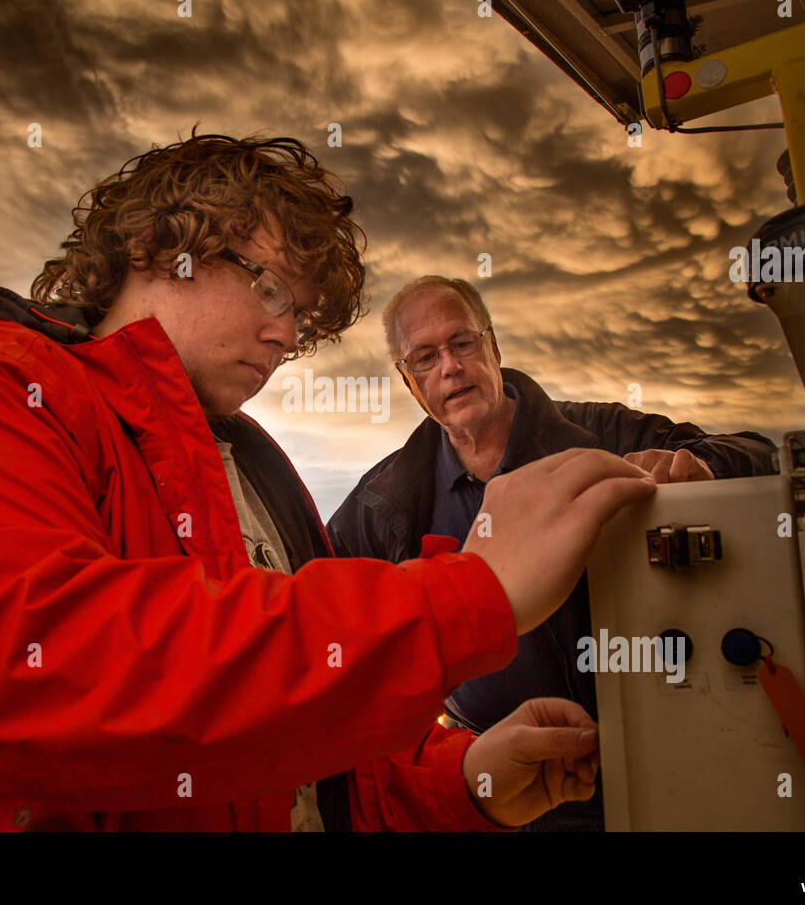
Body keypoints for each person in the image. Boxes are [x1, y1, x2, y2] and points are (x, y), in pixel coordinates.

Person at [0, 135, 659, 831]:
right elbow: (40, 674)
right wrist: (470, 596)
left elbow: (295, 771)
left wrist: (465, 783)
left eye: (303, 320)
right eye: (271, 287)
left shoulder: (258, 471)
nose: (285, 335)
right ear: (157, 245)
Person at [326, 275, 778, 831]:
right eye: (425, 356)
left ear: (492, 346)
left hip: (647, 754)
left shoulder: (602, 433)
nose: (450, 366)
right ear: (407, 379)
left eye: (463, 343)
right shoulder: (383, 500)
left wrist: (702, 471)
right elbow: (324, 600)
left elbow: (759, 452)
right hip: (505, 784)